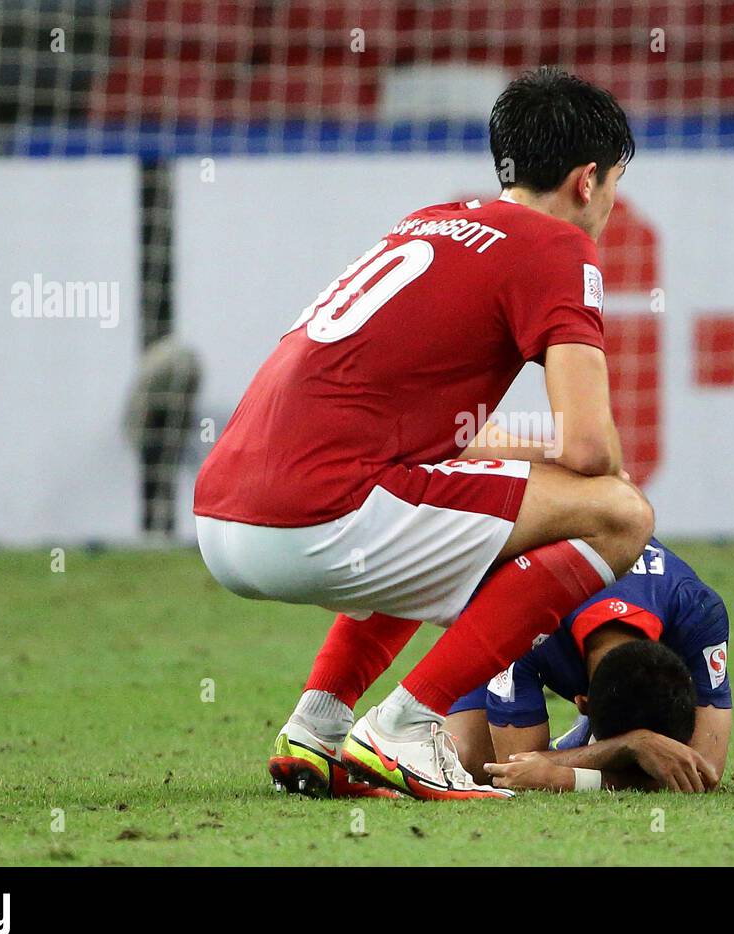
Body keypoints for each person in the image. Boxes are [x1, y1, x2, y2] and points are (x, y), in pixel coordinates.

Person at [193, 67, 652, 799]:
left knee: (449, 515)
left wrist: (517, 454)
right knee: (620, 513)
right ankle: (407, 725)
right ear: (588, 179)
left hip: (223, 519)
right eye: (617, 183)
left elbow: (450, 438)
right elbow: (592, 450)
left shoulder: (431, 219)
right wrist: (563, 467)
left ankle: (318, 726)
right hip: (317, 517)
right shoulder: (557, 247)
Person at [448, 540, 731, 793]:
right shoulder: (522, 616)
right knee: (469, 762)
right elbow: (511, 768)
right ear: (583, 702)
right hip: (494, 607)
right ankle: (590, 742)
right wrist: (631, 745)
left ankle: (585, 743)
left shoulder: (699, 611)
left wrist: (568, 778)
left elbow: (704, 772)